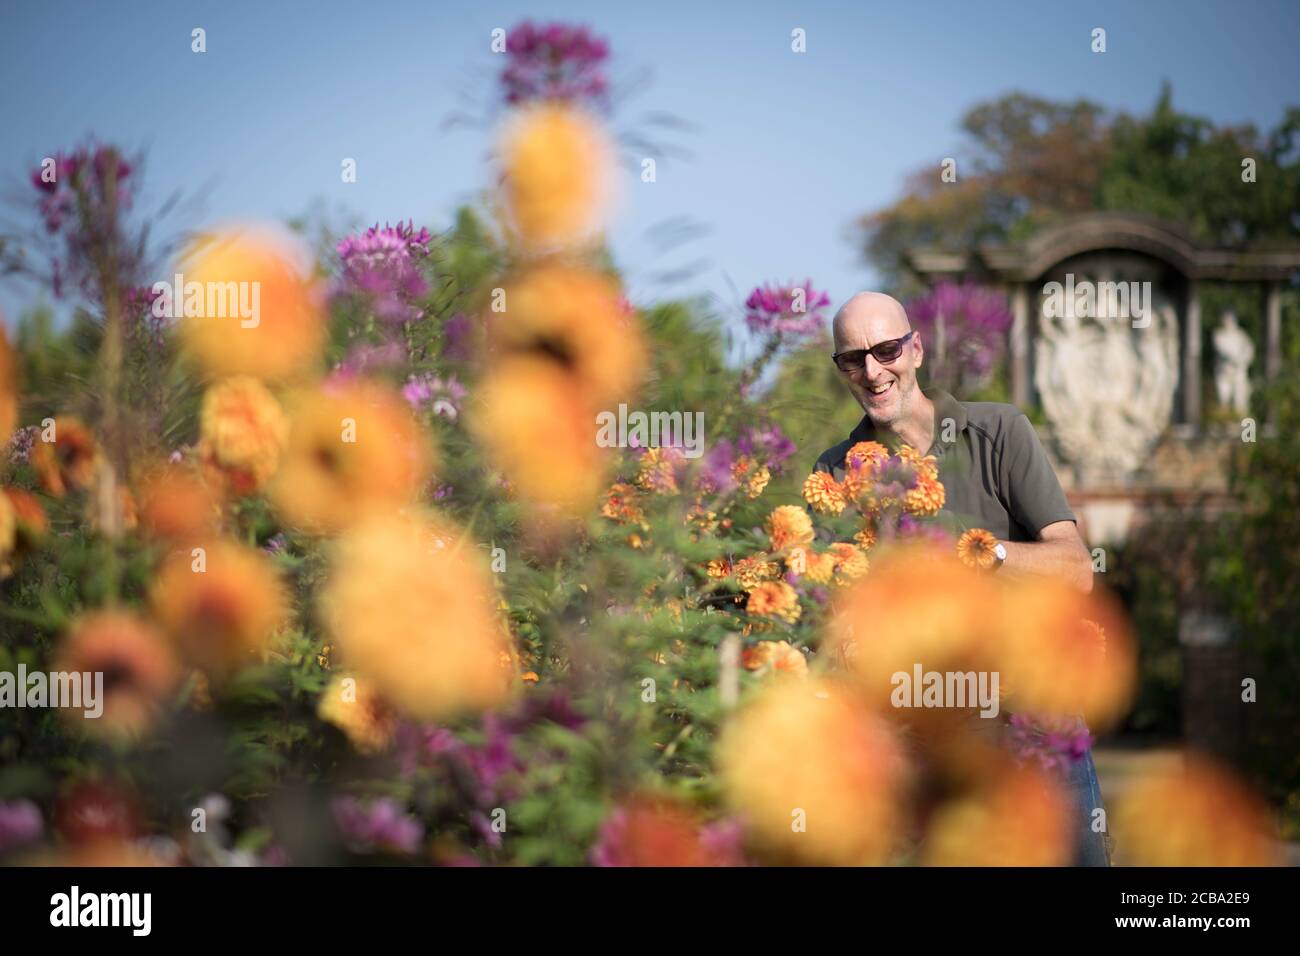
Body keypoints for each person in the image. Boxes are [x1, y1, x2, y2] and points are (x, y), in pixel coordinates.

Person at [814, 291, 1110, 866]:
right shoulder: (835, 470)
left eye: (886, 350)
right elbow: (832, 614)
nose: (872, 371)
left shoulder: (1000, 432)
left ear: (916, 349)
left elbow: (1075, 570)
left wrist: (978, 549)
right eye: (853, 358)